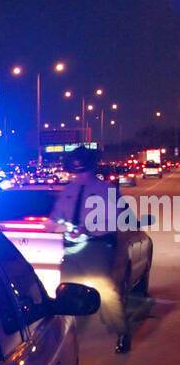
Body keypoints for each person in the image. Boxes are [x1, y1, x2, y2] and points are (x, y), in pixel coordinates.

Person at [52, 146, 132, 352]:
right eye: (76, 171)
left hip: (97, 246)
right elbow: (55, 218)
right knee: (66, 292)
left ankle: (121, 331)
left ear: (92, 168)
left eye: (84, 170)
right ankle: (65, 337)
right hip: (71, 248)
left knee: (105, 290)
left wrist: (88, 229)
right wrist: (60, 226)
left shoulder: (107, 190)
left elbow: (119, 219)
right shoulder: (68, 190)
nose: (80, 175)